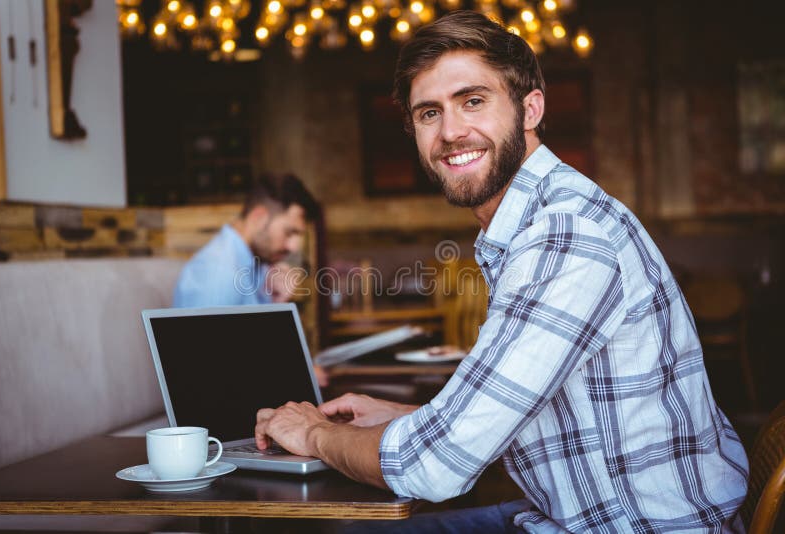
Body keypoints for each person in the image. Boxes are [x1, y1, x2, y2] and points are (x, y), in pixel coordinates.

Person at [254, 11, 748, 533]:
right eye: (428, 113)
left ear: (530, 108)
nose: (450, 132)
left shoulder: (566, 236)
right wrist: (410, 418)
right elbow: (531, 411)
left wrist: (312, 435)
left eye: (473, 101)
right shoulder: (537, 218)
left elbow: (435, 467)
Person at [173, 173, 319, 308]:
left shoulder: (256, 264)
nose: (294, 247)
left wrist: (273, 301)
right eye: (289, 232)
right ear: (259, 218)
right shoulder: (219, 275)